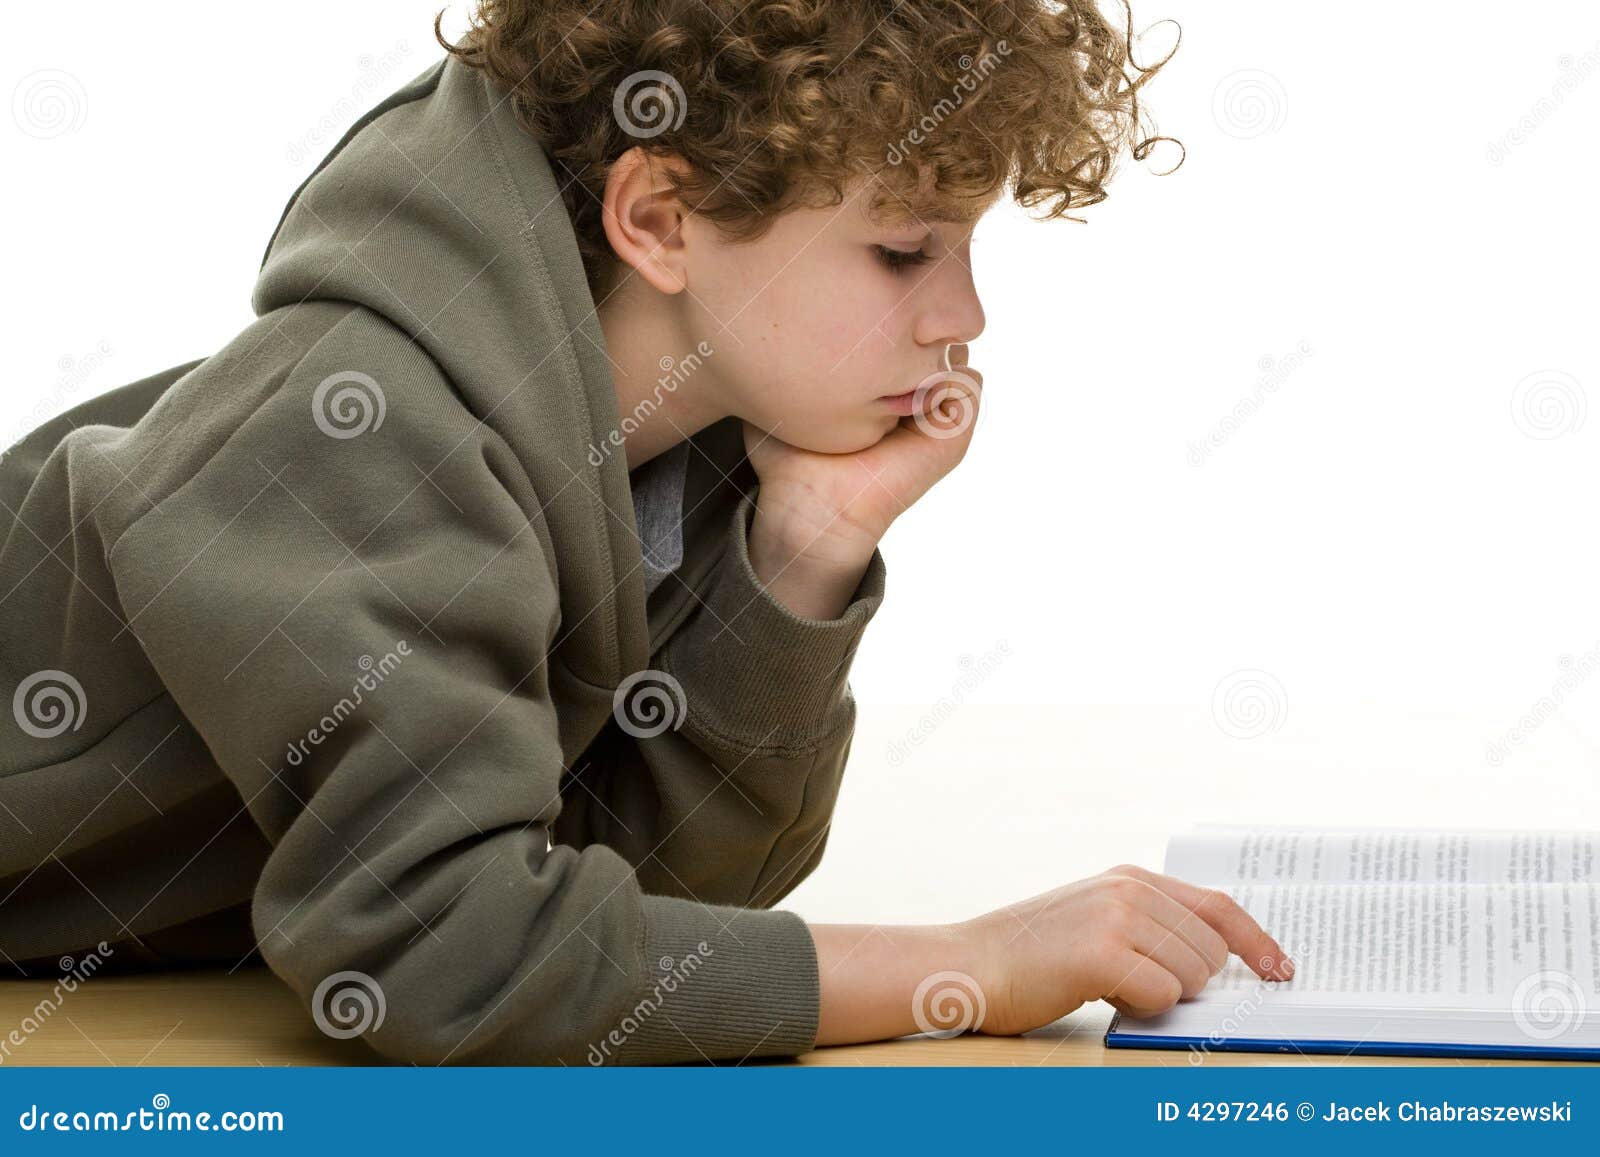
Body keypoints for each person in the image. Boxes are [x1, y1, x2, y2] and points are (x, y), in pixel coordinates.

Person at [0, 0, 1289, 1065]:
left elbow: (651, 899)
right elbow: (440, 957)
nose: (965, 311)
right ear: (659, 219)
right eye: (905, 250)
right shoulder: (361, 427)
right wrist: (969, 966)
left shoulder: (682, 442)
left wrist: (798, 556)